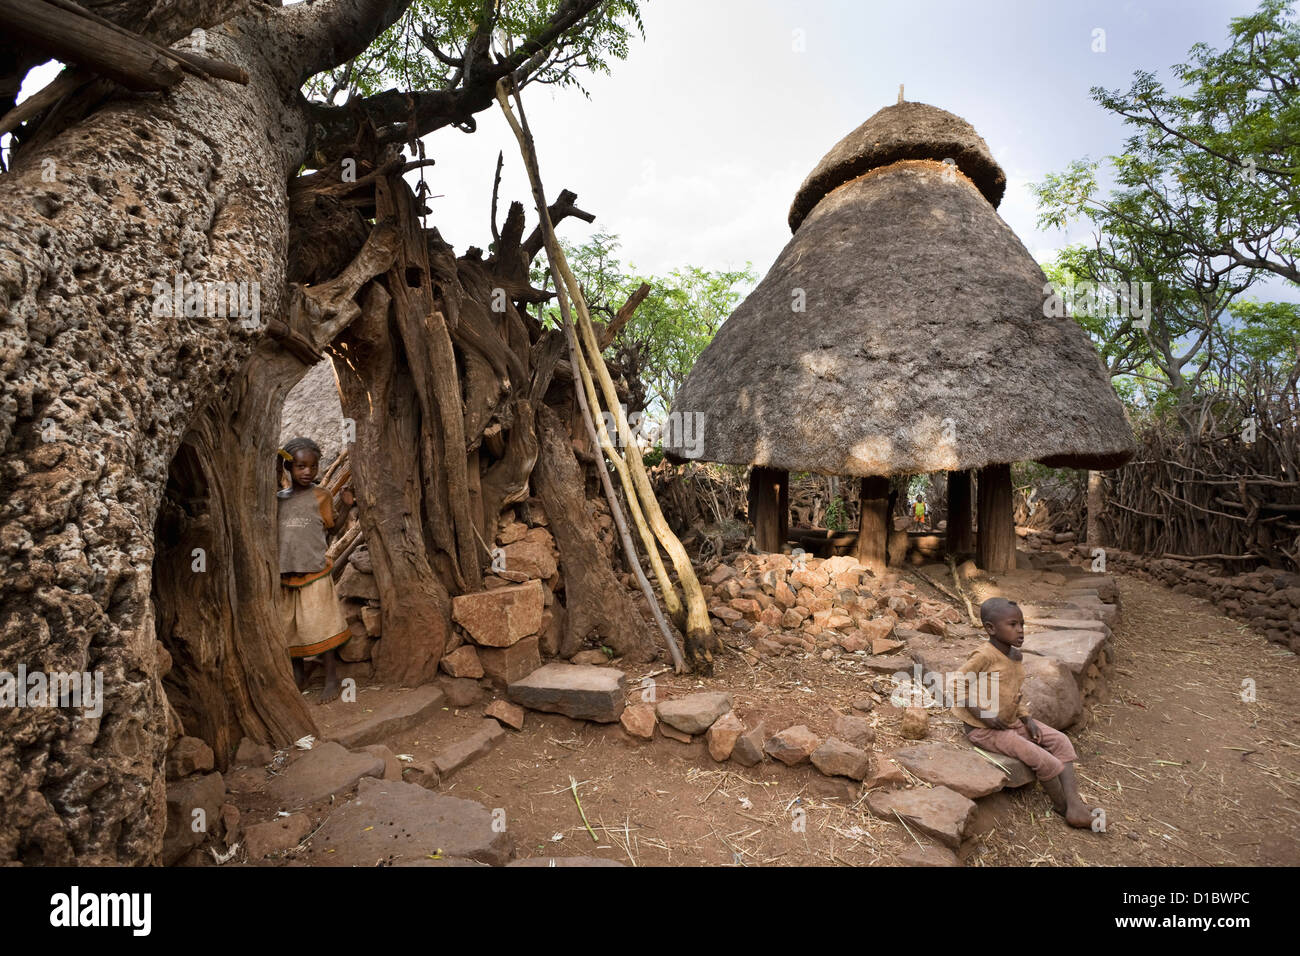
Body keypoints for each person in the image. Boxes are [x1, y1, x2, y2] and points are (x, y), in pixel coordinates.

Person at [951, 597, 1097, 828]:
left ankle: (1074, 803)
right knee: (1046, 761)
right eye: (1013, 625)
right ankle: (1064, 808)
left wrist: (1028, 719)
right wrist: (983, 714)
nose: (1020, 631)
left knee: (1062, 741)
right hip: (985, 730)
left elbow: (1014, 694)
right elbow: (957, 683)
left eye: (1022, 624)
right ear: (990, 628)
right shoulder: (984, 655)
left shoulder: (1014, 657)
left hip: (1011, 722)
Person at [277, 436, 351, 703]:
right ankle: (299, 675)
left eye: (312, 466)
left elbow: (331, 530)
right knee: (290, 628)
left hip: (314, 572)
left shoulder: (322, 496)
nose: (307, 472)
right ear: (288, 468)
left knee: (321, 625)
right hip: (286, 575)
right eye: (300, 466)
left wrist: (348, 507)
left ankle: (332, 678)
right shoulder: (277, 500)